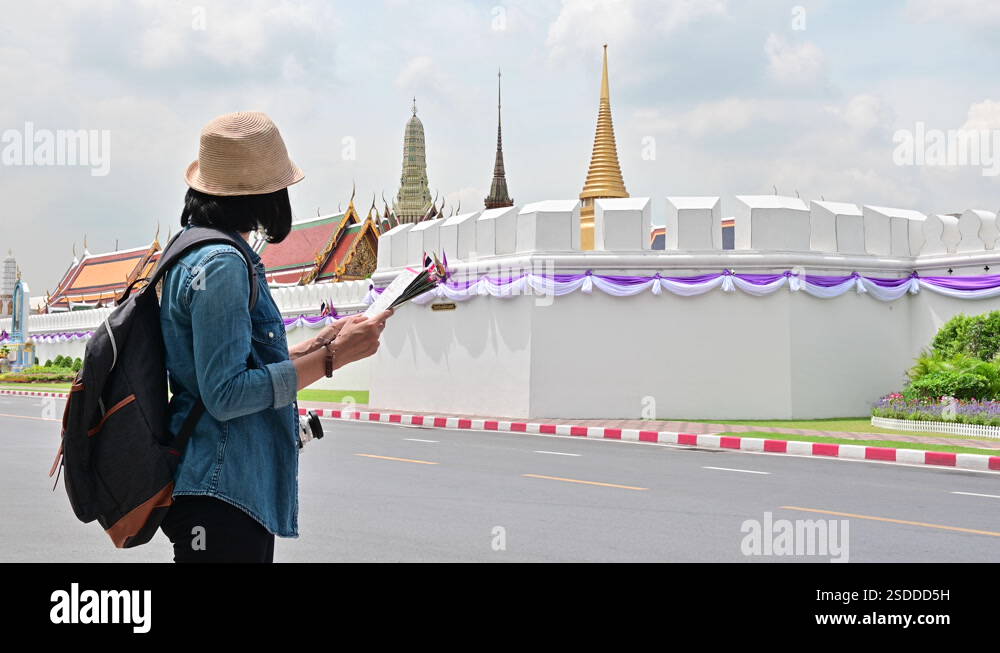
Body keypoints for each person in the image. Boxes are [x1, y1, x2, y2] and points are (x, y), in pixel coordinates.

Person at [158, 111, 391, 562]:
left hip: (218, 486)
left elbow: (233, 364)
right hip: (222, 488)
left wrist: (319, 344)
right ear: (264, 193)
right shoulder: (222, 265)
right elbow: (225, 393)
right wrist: (332, 360)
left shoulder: (196, 249)